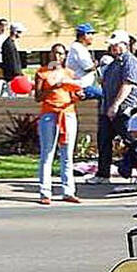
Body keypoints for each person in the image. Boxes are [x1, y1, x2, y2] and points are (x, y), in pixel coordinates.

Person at [33, 42, 82, 205]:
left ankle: (68, 191)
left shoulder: (69, 73)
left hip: (68, 114)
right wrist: (54, 87)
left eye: (60, 53)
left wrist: (79, 94)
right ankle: (45, 192)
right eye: (54, 53)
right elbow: (38, 97)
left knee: (67, 154)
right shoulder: (42, 73)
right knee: (47, 153)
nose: (57, 56)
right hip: (49, 114)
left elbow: (74, 93)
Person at [96, 30, 137, 182]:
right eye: (112, 46)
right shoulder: (113, 63)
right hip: (107, 109)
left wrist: (115, 105)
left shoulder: (130, 61)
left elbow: (127, 85)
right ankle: (103, 174)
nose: (112, 48)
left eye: (115, 45)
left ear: (124, 44)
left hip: (123, 110)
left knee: (131, 140)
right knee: (103, 140)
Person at [65, 23, 102, 100]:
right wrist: (97, 64)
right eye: (89, 34)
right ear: (82, 35)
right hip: (83, 86)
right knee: (107, 95)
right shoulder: (78, 48)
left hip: (84, 85)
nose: (92, 37)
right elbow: (88, 68)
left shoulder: (79, 48)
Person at [0, 23, 25, 92]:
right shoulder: (9, 44)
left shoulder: (10, 43)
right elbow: (12, 61)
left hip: (12, 75)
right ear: (15, 32)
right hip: (12, 75)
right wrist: (18, 73)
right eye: (20, 32)